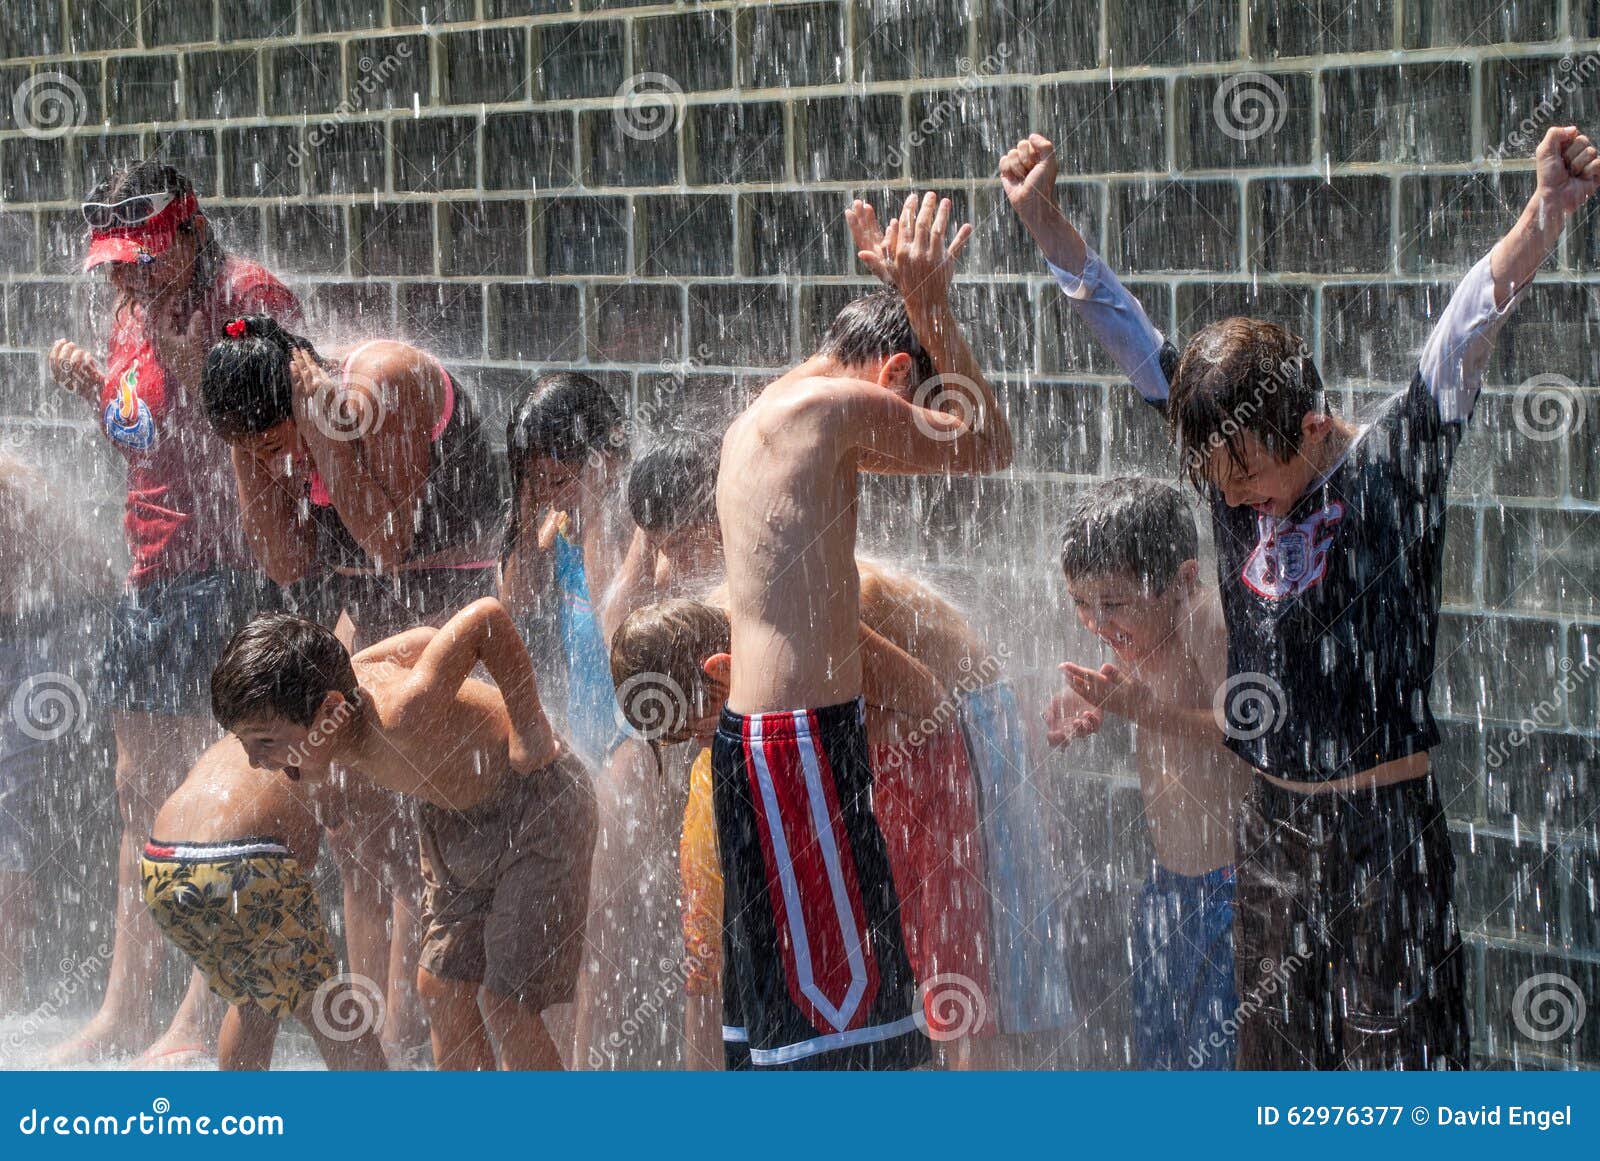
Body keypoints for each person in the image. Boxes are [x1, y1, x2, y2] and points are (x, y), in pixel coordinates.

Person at [1004, 127, 1600, 1069]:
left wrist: (1545, 212)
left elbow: (1464, 329)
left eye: (1250, 480)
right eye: (1221, 485)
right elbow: (1130, 335)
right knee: (1274, 1072)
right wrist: (1044, 225)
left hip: (1383, 837)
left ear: (1312, 424)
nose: (1235, 503)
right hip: (1274, 835)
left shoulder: (1394, 468)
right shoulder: (1224, 451)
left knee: (1401, 1076)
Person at [44, 160, 301, 1063]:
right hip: (151, 572)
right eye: (115, 264)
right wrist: (96, 397)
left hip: (232, 571)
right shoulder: (128, 316)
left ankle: (196, 1021)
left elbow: (272, 423)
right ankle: (124, 1006)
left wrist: (197, 362)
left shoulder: (244, 294)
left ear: (190, 233)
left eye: (142, 259)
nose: (126, 278)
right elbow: (143, 441)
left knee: (218, 800)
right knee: (137, 797)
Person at [209, 599, 596, 1070]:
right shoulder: (351, 681)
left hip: (538, 804)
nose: (254, 762)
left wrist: (527, 724)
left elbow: (487, 617)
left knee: (506, 1002)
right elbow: (421, 642)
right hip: (453, 820)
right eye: (245, 744)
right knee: (441, 987)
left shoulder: (401, 715)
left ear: (330, 709)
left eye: (265, 742)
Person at [1044, 477, 1253, 1069]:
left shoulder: (1208, 619)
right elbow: (1135, 691)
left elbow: (1242, 728)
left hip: (1230, 888)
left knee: (1218, 1058)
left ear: (1182, 580)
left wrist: (1143, 711)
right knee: (1158, 1053)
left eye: (1112, 603)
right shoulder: (1142, 633)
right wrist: (1093, 703)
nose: (1096, 621)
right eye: (1082, 603)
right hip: (1166, 888)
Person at [200, 315, 505, 645]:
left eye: (273, 447)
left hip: (460, 589)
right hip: (370, 603)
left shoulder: (382, 382)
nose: (274, 468)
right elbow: (285, 564)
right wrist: (250, 457)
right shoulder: (256, 435)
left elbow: (387, 547)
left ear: (301, 404)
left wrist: (325, 436)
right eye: (255, 454)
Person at [140, 736, 388, 1070]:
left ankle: (242, 1118)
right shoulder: (328, 742)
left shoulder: (243, 733)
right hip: (240, 864)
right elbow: (305, 852)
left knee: (252, 997)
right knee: (327, 1005)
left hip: (162, 867)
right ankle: (385, 1112)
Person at [499, 372, 631, 768]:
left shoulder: (637, 525)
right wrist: (525, 508)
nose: (549, 497)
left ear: (605, 460)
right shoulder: (555, 527)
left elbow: (613, 620)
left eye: (557, 480)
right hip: (585, 737)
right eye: (536, 484)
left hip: (634, 735)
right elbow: (516, 604)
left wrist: (592, 505)